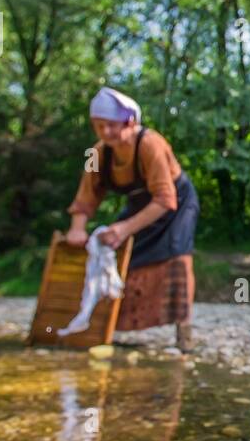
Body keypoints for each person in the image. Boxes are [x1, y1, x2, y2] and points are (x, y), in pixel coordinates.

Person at [66, 87, 200, 352]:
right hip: (140, 205)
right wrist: (77, 229)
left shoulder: (151, 144)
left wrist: (124, 228)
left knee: (177, 259)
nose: (105, 133)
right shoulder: (97, 155)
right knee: (122, 260)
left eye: (111, 126)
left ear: (129, 122)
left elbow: (165, 198)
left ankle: (184, 332)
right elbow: (86, 196)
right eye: (99, 126)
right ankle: (109, 325)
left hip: (176, 204)